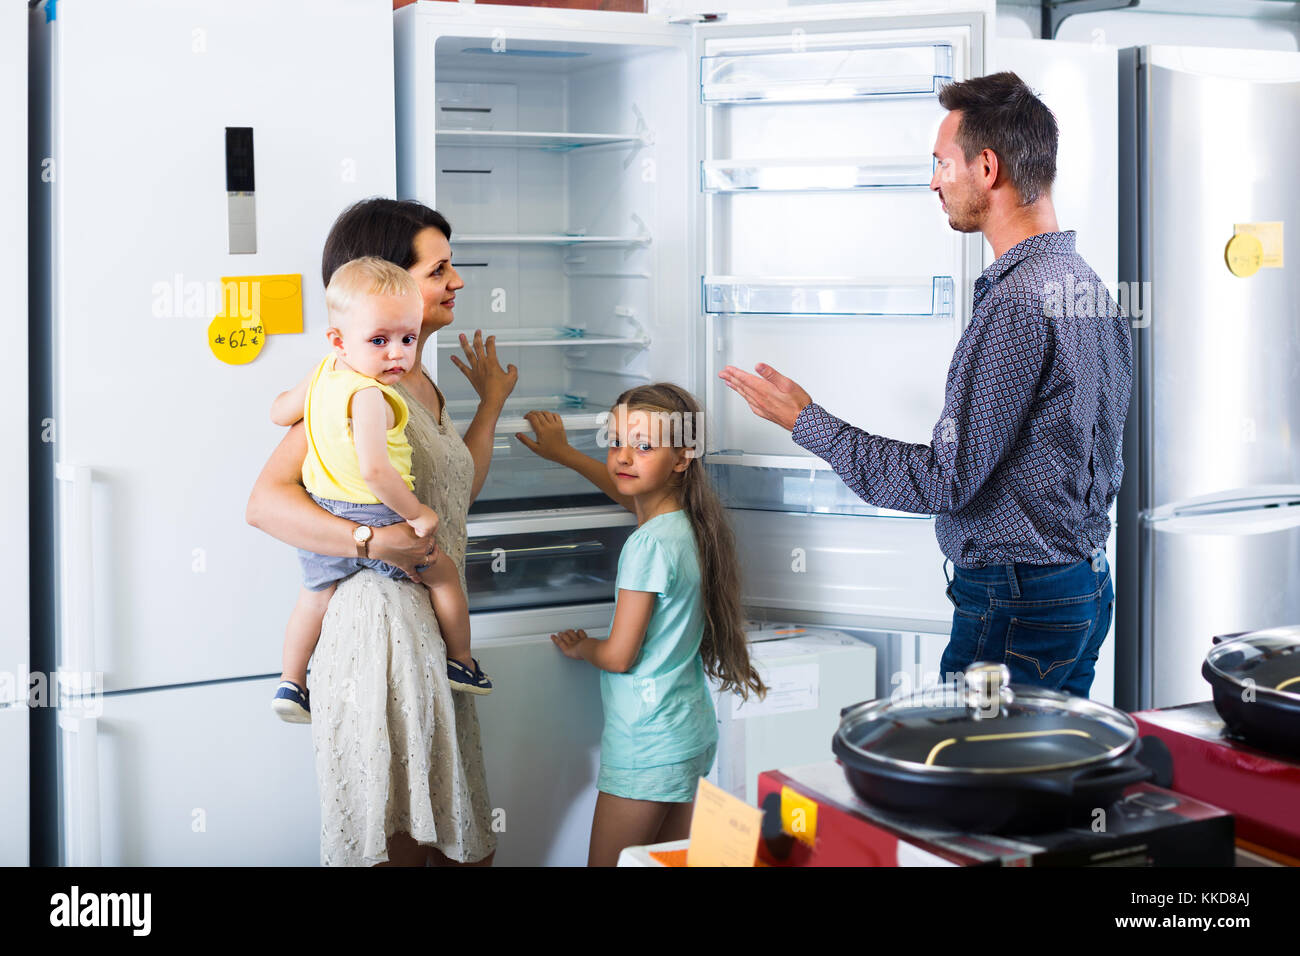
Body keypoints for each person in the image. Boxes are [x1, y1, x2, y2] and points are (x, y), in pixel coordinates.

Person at [719, 72, 1132, 698]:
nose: (934, 181)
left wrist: (807, 423)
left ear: (986, 167)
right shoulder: (1085, 283)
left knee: (974, 782)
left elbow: (945, 478)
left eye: (942, 164)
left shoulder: (1018, 301)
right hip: (1082, 585)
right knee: (1041, 784)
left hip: (1017, 604)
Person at [246, 198, 517, 865]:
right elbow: (264, 503)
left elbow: (456, 493)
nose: (457, 282)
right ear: (386, 280)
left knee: (458, 845)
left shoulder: (414, 378)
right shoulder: (351, 382)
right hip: (378, 630)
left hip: (429, 633)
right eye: (440, 269)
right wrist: (370, 542)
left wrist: (489, 408)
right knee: (396, 844)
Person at [520, 384, 766, 866]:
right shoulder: (689, 523)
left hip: (646, 742)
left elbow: (618, 656)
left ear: (681, 458)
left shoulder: (647, 547)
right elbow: (627, 485)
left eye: (644, 446)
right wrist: (567, 453)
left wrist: (583, 647)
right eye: (615, 443)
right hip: (686, 732)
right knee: (663, 864)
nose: (623, 457)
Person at [268, 257, 490, 725]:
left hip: (326, 513)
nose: (396, 354)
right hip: (374, 513)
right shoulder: (371, 395)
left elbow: (278, 410)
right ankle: (464, 662)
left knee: (315, 594)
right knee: (444, 575)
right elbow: (375, 471)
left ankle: (291, 681)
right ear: (339, 340)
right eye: (380, 341)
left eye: (406, 340)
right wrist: (419, 514)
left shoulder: (326, 373)